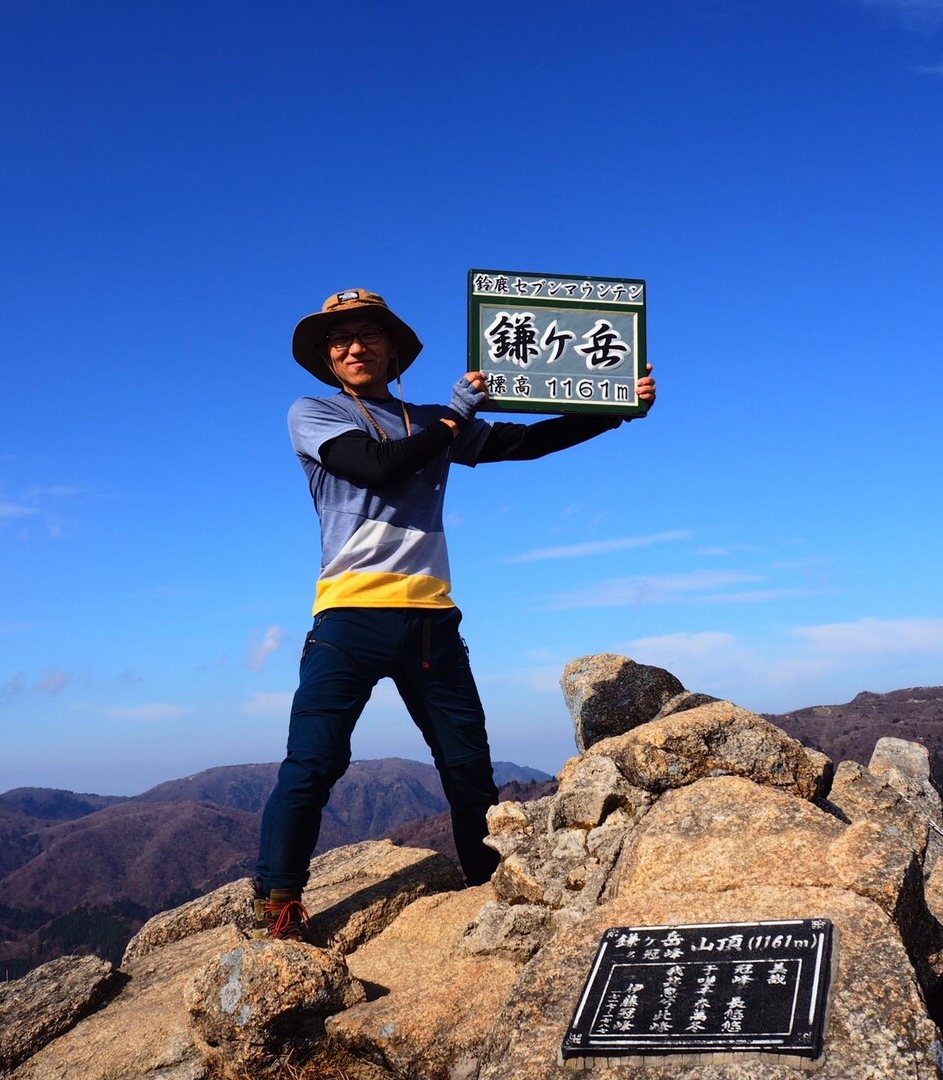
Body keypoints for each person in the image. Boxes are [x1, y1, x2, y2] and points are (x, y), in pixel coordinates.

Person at [253, 288, 656, 940]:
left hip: (432, 619)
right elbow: (373, 466)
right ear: (327, 357)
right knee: (314, 761)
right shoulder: (315, 412)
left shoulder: (430, 419)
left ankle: (484, 882)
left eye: (367, 335)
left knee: (467, 764)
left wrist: (616, 411)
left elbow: (525, 444)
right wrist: (452, 419)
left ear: (391, 348)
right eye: (339, 340)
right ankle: (279, 898)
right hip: (350, 616)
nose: (353, 348)